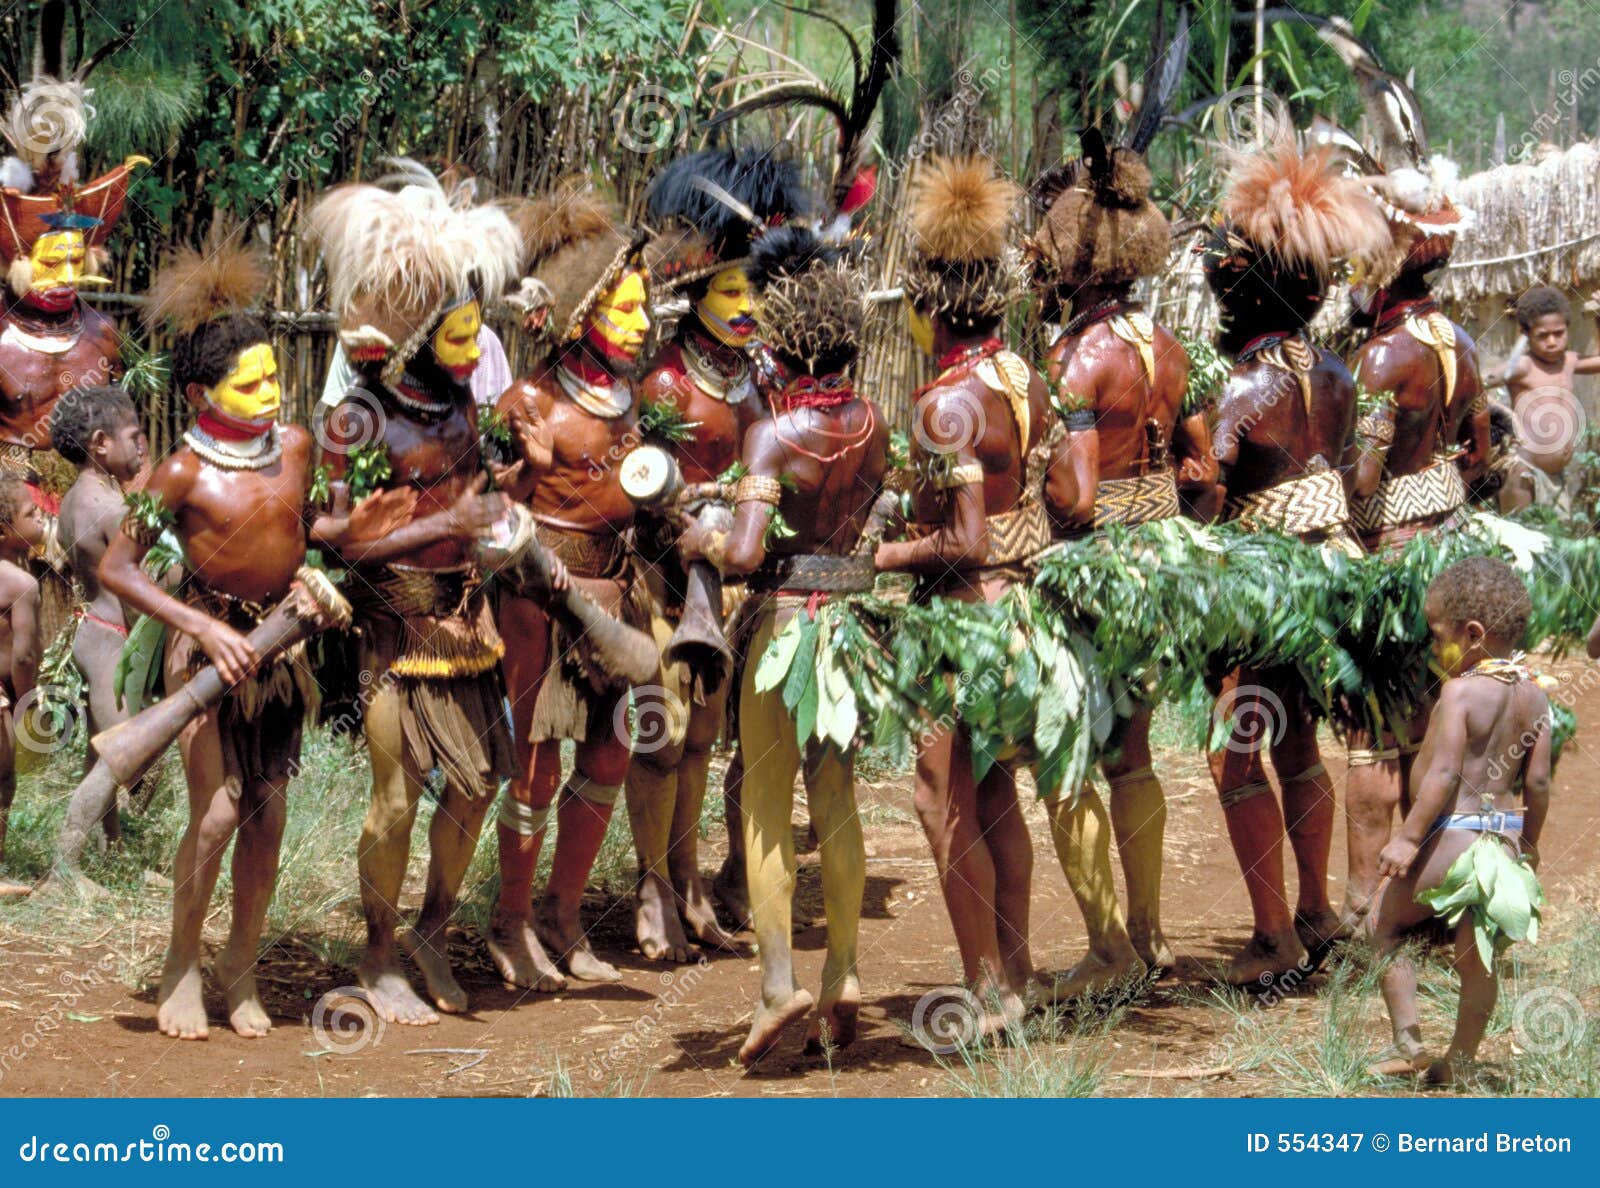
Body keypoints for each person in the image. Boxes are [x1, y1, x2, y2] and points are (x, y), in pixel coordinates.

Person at [98, 240, 340, 1039]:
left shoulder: (298, 449)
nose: (273, 391)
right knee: (217, 814)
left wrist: (323, 579)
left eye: (276, 375)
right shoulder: (179, 474)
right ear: (203, 392)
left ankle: (241, 966)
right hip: (207, 654)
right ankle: (179, 963)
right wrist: (200, 625)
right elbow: (117, 566)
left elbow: (310, 534)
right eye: (253, 381)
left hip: (281, 655)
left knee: (267, 816)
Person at [307, 162, 530, 1026]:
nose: (477, 352)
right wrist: (439, 523)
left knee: (475, 789)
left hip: (466, 625)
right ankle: (377, 951)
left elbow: (473, 499)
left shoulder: (460, 410)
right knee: (396, 797)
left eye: (480, 334)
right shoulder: (357, 417)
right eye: (463, 334)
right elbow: (335, 537)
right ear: (419, 331)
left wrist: (496, 494)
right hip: (391, 628)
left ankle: (434, 929)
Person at [680, 220, 888, 1065]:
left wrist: (702, 535)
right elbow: (872, 522)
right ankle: (843, 976)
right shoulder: (872, 419)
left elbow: (743, 553)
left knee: (766, 806)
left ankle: (778, 986)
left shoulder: (774, 435)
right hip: (848, 631)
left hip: (783, 629)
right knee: (835, 802)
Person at [1199, 139, 1389, 984]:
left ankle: (1274, 936)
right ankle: (1314, 910)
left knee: (1235, 752)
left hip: (1267, 582)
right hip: (1329, 575)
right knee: (1299, 741)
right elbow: (1347, 480)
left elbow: (1205, 496)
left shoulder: (1242, 386)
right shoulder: (1339, 372)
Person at [1028, 129, 1213, 994]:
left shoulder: (1074, 359)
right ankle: (1151, 933)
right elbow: (1202, 468)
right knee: (1133, 753)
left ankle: (1109, 953)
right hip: (1159, 565)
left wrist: (1036, 484)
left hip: (1093, 572)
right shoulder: (1169, 349)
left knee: (1066, 756)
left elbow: (1074, 494)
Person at [873, 154, 1046, 1032]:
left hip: (963, 619)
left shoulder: (947, 401)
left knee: (941, 802)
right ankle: (1017, 977)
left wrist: (887, 554)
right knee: (996, 794)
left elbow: (967, 537)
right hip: (1017, 613)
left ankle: (986, 992)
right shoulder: (1021, 378)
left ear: (929, 304)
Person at [622, 146, 806, 962]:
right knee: (663, 738)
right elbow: (646, 491)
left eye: (754, 292)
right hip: (670, 589)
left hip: (731, 585)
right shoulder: (665, 384)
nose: (746, 307)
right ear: (697, 297)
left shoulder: (757, 377)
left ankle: (692, 880)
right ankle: (651, 887)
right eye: (731, 291)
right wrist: (697, 527)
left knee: (703, 742)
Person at [1329, 51, 1489, 929]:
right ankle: (1442, 898)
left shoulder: (1383, 356)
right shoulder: (1459, 342)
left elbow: (1361, 481)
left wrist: (1340, 518)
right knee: (1443, 733)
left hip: (1394, 561)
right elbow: (1483, 451)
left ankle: (1367, 911)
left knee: (1373, 741)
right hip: (1455, 547)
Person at [489, 184, 653, 989]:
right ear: (583, 313)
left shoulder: (635, 402)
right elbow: (491, 511)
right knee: (534, 767)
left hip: (616, 600)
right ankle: (508, 919)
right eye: (625, 312)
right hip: (539, 604)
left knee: (612, 756)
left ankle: (563, 911)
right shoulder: (530, 399)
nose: (643, 324)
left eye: (644, 310)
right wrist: (535, 470)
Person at [1368, 556, 1549, 1086]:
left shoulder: (1459, 692)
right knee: (1479, 958)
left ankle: (1409, 1041)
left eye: (1436, 635)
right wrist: (1530, 844)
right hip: (1503, 840)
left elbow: (1445, 773)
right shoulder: (1536, 695)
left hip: (1451, 834)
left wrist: (1405, 839)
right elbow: (1537, 786)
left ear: (1471, 634)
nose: (1431, 648)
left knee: (1384, 923)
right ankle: (1462, 1063)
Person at [49, 385, 149, 869]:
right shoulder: (110, 508)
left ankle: (113, 850)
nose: (142, 445)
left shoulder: (76, 498)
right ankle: (64, 866)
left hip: (91, 630)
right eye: (134, 436)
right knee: (121, 756)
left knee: (103, 751)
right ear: (100, 443)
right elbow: (147, 582)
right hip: (109, 637)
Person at [1494, 286, 1600, 511]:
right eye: (1542, 335)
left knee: (1554, 541)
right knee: (1520, 535)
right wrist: (1503, 417)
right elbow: (1478, 383)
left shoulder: (1569, 362)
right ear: (1526, 335)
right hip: (1523, 474)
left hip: (1557, 477)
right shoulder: (1524, 366)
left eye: (1559, 333)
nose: (1552, 342)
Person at [0, 473, 42, 893]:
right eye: (31, 513)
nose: (43, 515)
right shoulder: (20, 584)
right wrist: (25, 698)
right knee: (2, 779)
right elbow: (24, 655)